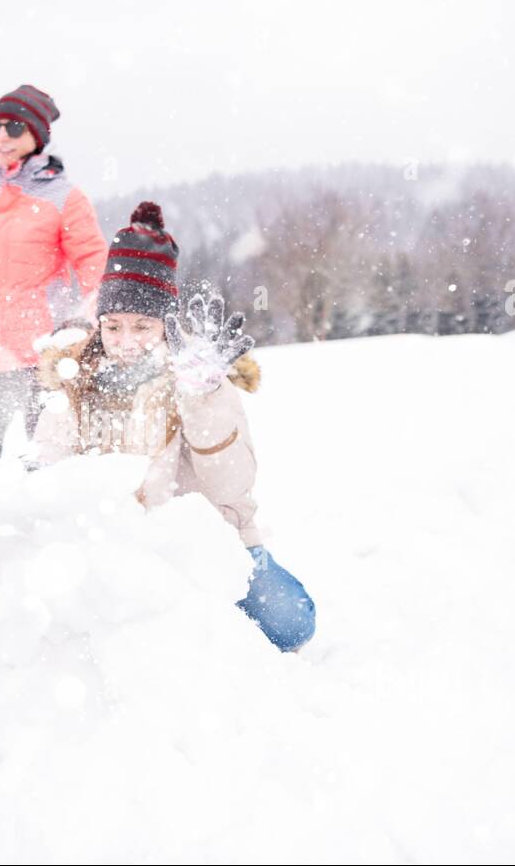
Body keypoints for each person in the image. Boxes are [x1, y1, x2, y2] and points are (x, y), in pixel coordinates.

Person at [32, 202, 316, 651]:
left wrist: (203, 398)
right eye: (114, 327)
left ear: (167, 326)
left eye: (143, 326)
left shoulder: (196, 378)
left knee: (290, 623)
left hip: (203, 539)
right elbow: (50, 478)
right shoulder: (74, 382)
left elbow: (231, 487)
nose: (127, 343)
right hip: (110, 544)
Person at [0, 84, 108, 572]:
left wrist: (85, 329)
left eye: (13, 127)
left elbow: (95, 266)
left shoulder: (65, 198)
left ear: (37, 133)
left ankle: (55, 572)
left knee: (48, 467)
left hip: (40, 361)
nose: (1, 137)